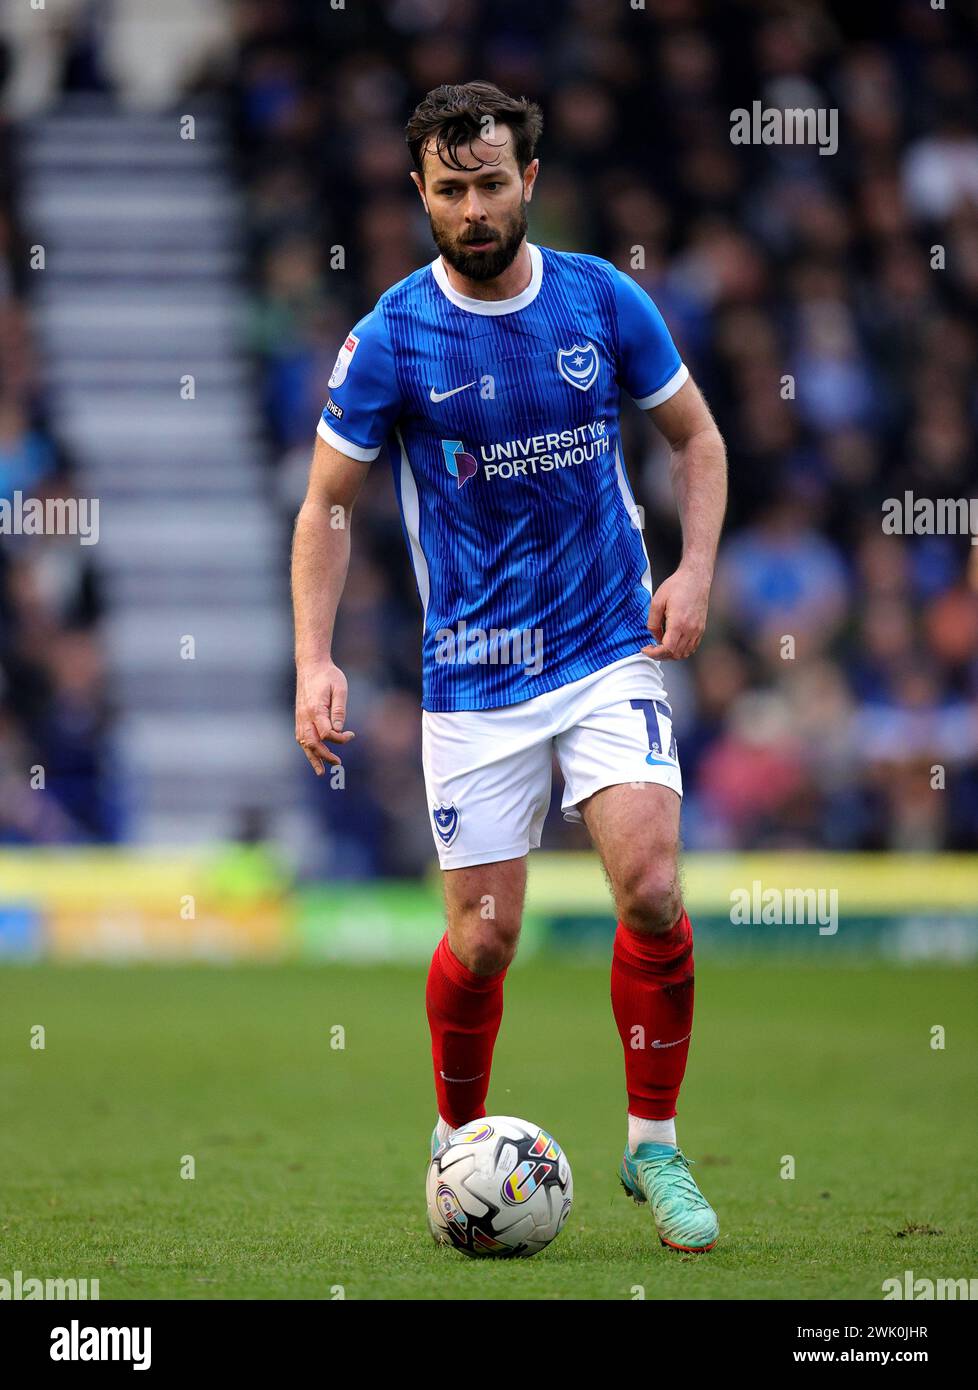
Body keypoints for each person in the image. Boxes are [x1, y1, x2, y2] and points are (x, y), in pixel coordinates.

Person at [291, 80, 727, 1252]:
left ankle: (655, 1147)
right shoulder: (391, 336)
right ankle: (459, 1142)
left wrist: (689, 573)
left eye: (492, 184)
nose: (473, 207)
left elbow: (698, 438)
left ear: (528, 180)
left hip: (603, 649)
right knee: (485, 937)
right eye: (451, 189)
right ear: (419, 191)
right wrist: (315, 659)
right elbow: (327, 507)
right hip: (474, 676)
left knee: (651, 885)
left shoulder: (600, 299)